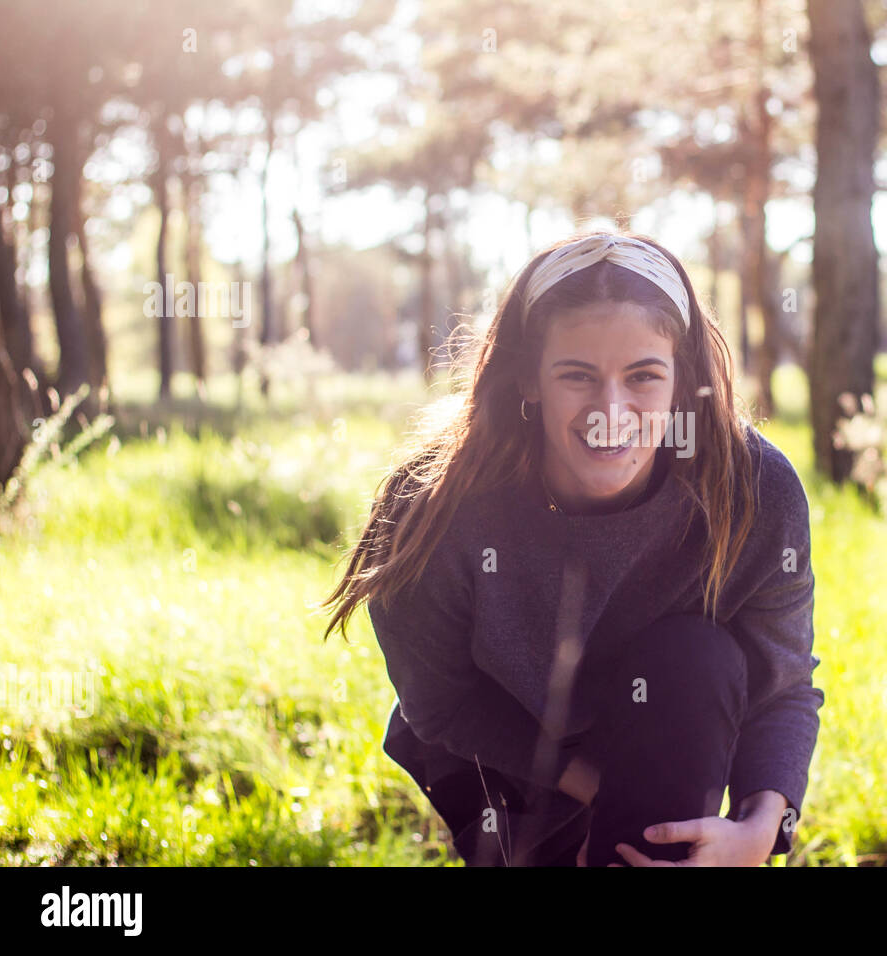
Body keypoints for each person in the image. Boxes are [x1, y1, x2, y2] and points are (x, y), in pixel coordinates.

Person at [322, 230, 824, 866]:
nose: (610, 410)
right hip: (498, 756)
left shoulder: (753, 487)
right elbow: (442, 703)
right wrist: (595, 786)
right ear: (530, 380)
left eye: (644, 376)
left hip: (665, 725)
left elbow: (782, 682)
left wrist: (760, 830)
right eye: (577, 376)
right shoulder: (434, 501)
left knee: (699, 656)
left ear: (682, 381)